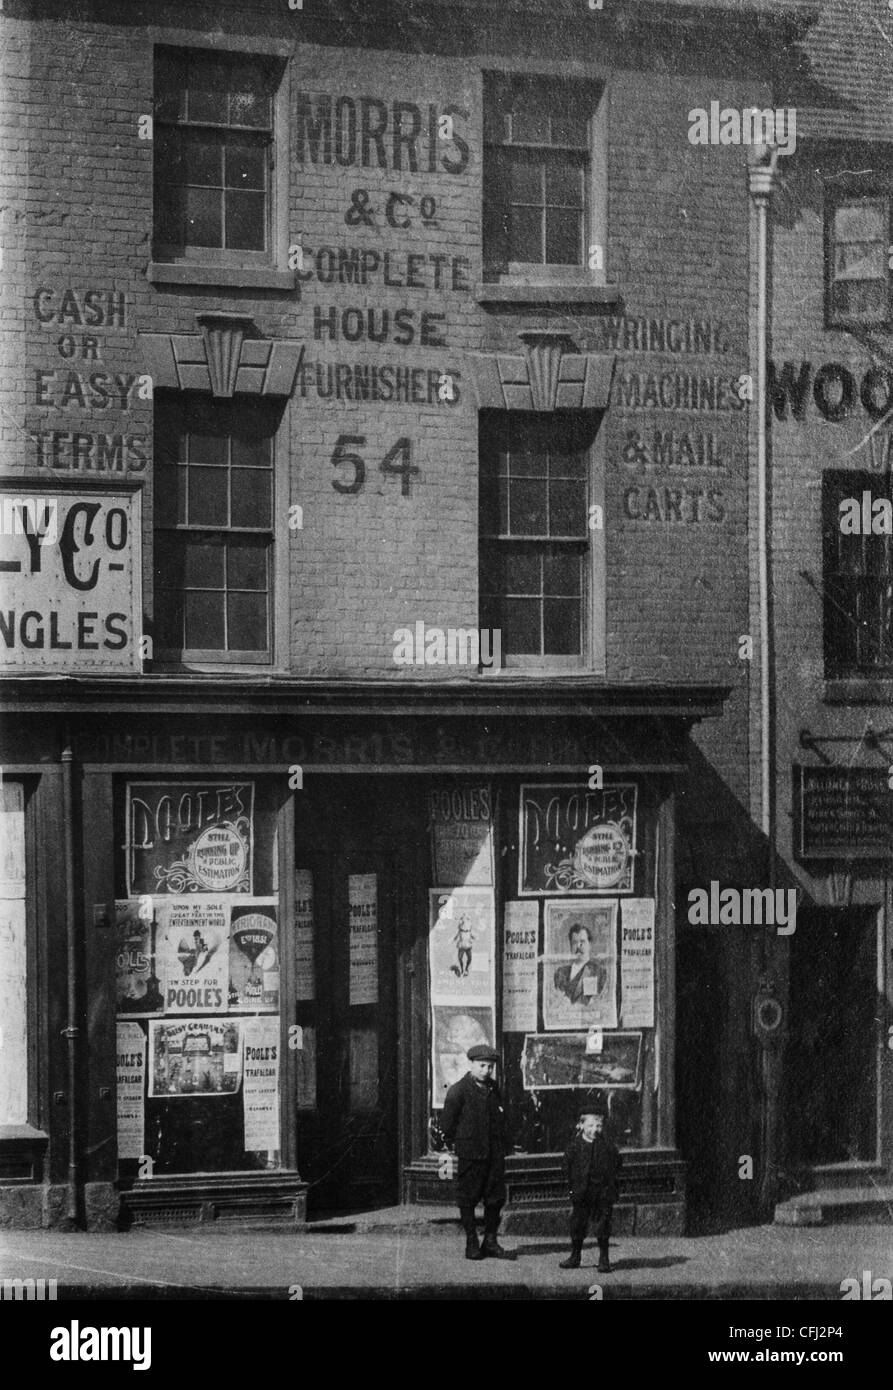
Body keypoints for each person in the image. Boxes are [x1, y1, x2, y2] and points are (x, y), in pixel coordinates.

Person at [440, 1043, 517, 1262]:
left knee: (495, 1199)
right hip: (471, 1154)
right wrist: (463, 1142)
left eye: (490, 1067)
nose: (486, 1071)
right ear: (471, 1064)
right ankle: (472, 1242)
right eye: (482, 1065)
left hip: (494, 1154)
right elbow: (447, 1125)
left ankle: (490, 1241)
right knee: (468, 1198)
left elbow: (502, 1119)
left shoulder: (495, 1089)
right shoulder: (459, 1090)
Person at [560, 1101, 622, 1272]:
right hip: (581, 1191)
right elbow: (566, 1166)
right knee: (578, 1224)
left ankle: (604, 1258)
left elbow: (617, 1163)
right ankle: (575, 1255)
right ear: (580, 1125)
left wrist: (610, 1183)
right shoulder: (574, 1146)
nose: (595, 1129)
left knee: (603, 1225)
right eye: (590, 1125)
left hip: (602, 1191)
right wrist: (573, 1185)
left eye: (599, 1125)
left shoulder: (608, 1147)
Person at [553, 922, 606, 1005]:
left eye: (582, 942)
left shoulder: (599, 972)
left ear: (590, 944)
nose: (578, 946)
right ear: (570, 946)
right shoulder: (560, 973)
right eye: (574, 942)